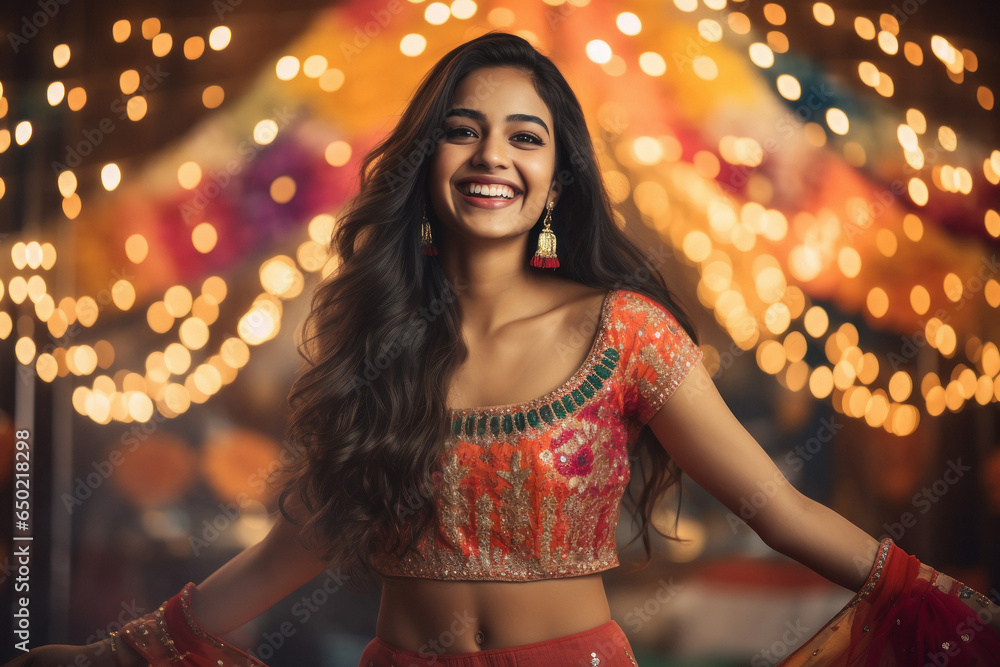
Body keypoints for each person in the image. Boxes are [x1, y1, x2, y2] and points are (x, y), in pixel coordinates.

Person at [7, 31, 1000, 667]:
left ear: (557, 179)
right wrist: (124, 654)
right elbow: (302, 544)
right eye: (464, 131)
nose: (493, 156)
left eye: (525, 137)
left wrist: (935, 596)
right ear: (426, 161)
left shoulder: (624, 331)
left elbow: (774, 505)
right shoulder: (371, 337)